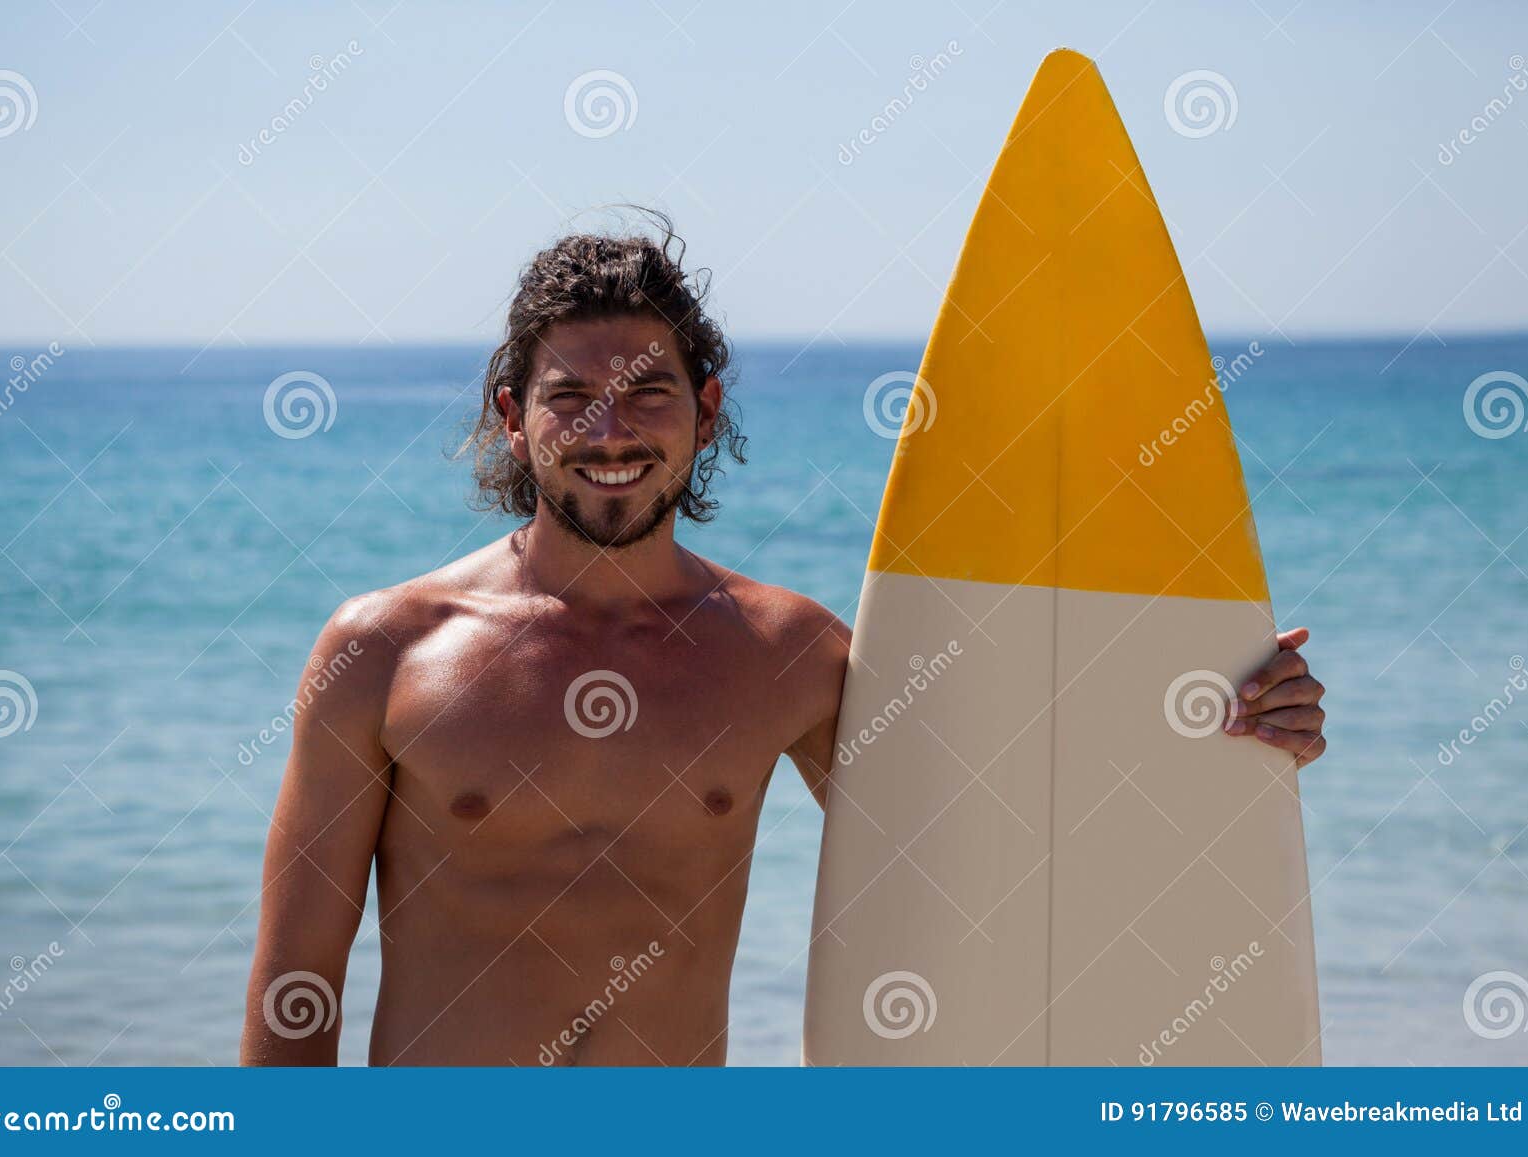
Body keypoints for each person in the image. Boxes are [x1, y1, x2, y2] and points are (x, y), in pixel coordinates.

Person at [239, 214, 1327, 1066]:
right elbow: (297, 985)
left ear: (707, 410)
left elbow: (1000, 826)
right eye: (570, 398)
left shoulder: (785, 654)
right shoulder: (387, 651)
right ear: (512, 415)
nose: (610, 432)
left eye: (648, 393)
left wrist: (1223, 714)